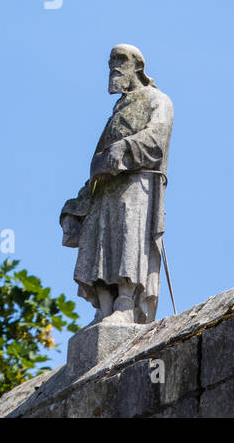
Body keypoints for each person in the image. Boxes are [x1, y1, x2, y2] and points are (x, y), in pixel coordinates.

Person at [61, 44, 173, 326]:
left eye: (121, 59)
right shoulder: (116, 112)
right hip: (104, 190)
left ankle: (125, 303)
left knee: (128, 236)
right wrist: (75, 208)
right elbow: (95, 167)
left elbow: (157, 137)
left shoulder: (156, 99)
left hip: (136, 183)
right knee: (97, 241)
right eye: (111, 60)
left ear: (138, 66)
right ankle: (104, 309)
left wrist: (124, 149)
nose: (114, 65)